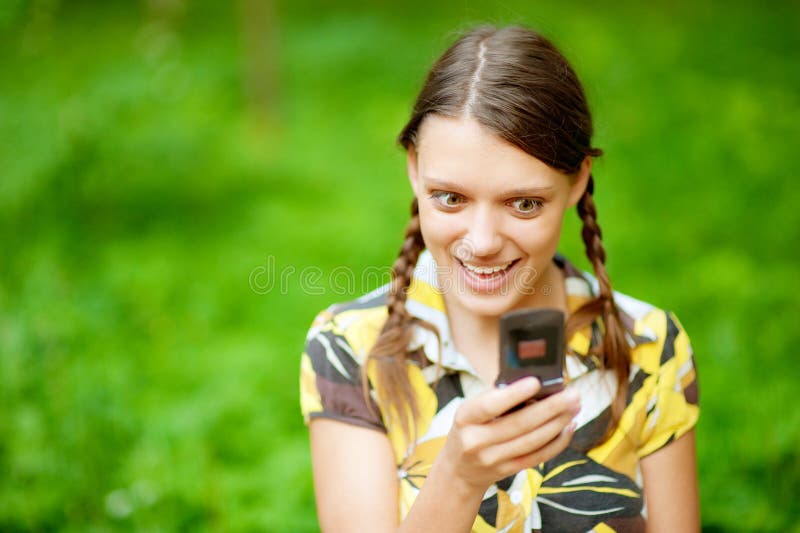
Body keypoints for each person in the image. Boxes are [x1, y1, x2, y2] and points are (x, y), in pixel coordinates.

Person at [299, 23, 700, 532]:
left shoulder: (651, 349)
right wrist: (460, 479)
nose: (483, 240)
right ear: (415, 170)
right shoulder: (350, 350)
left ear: (577, 180)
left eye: (524, 203)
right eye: (451, 198)